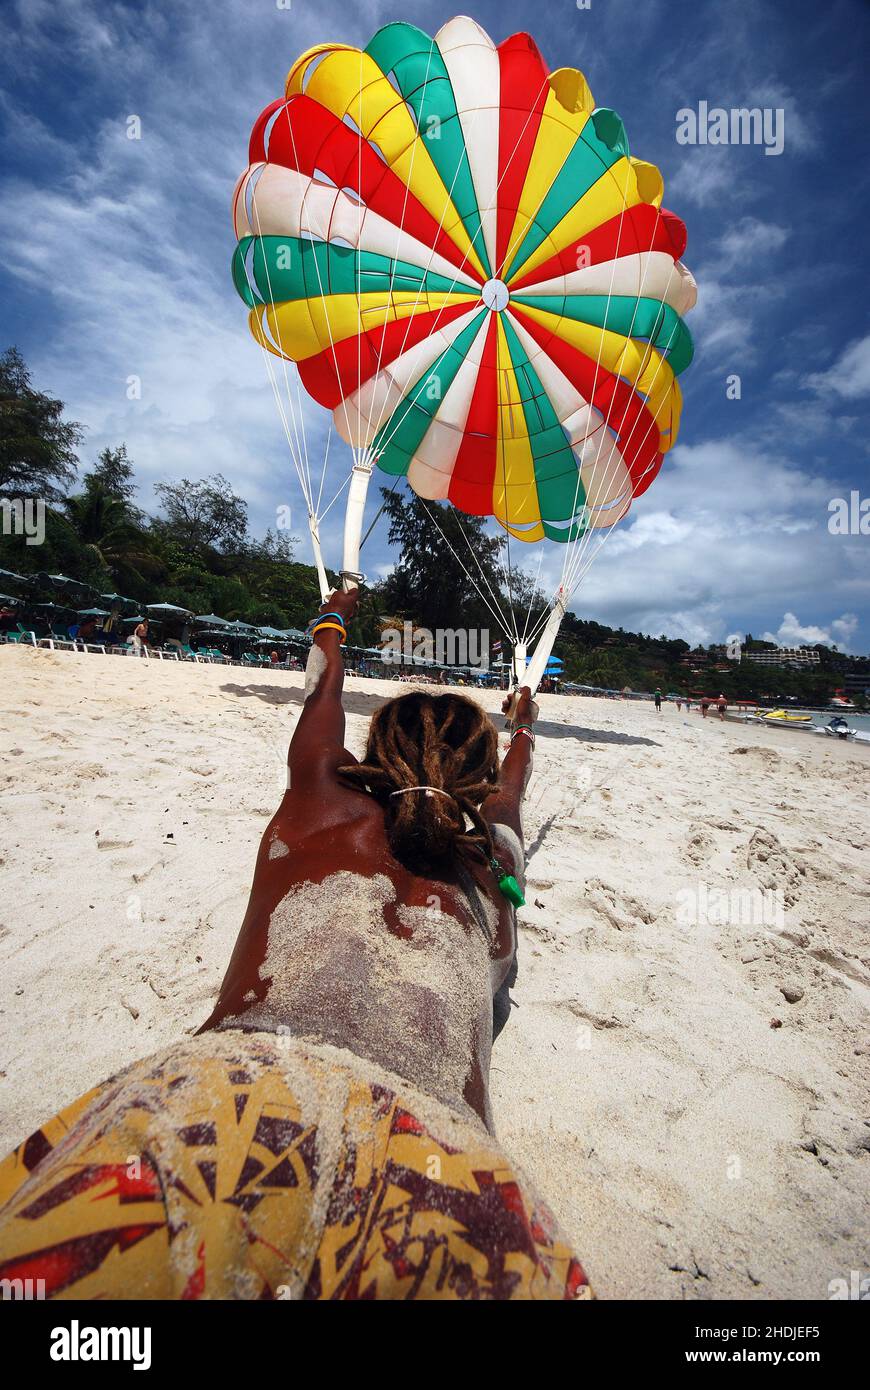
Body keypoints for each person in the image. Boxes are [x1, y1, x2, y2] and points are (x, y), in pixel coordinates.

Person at [0, 587, 589, 1301]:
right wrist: (523, 723)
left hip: (225, 1108)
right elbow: (512, 793)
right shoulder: (493, 866)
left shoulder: (319, 794)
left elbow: (324, 690)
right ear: (479, 780)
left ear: (373, 750)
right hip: (443, 1161)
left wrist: (333, 619)